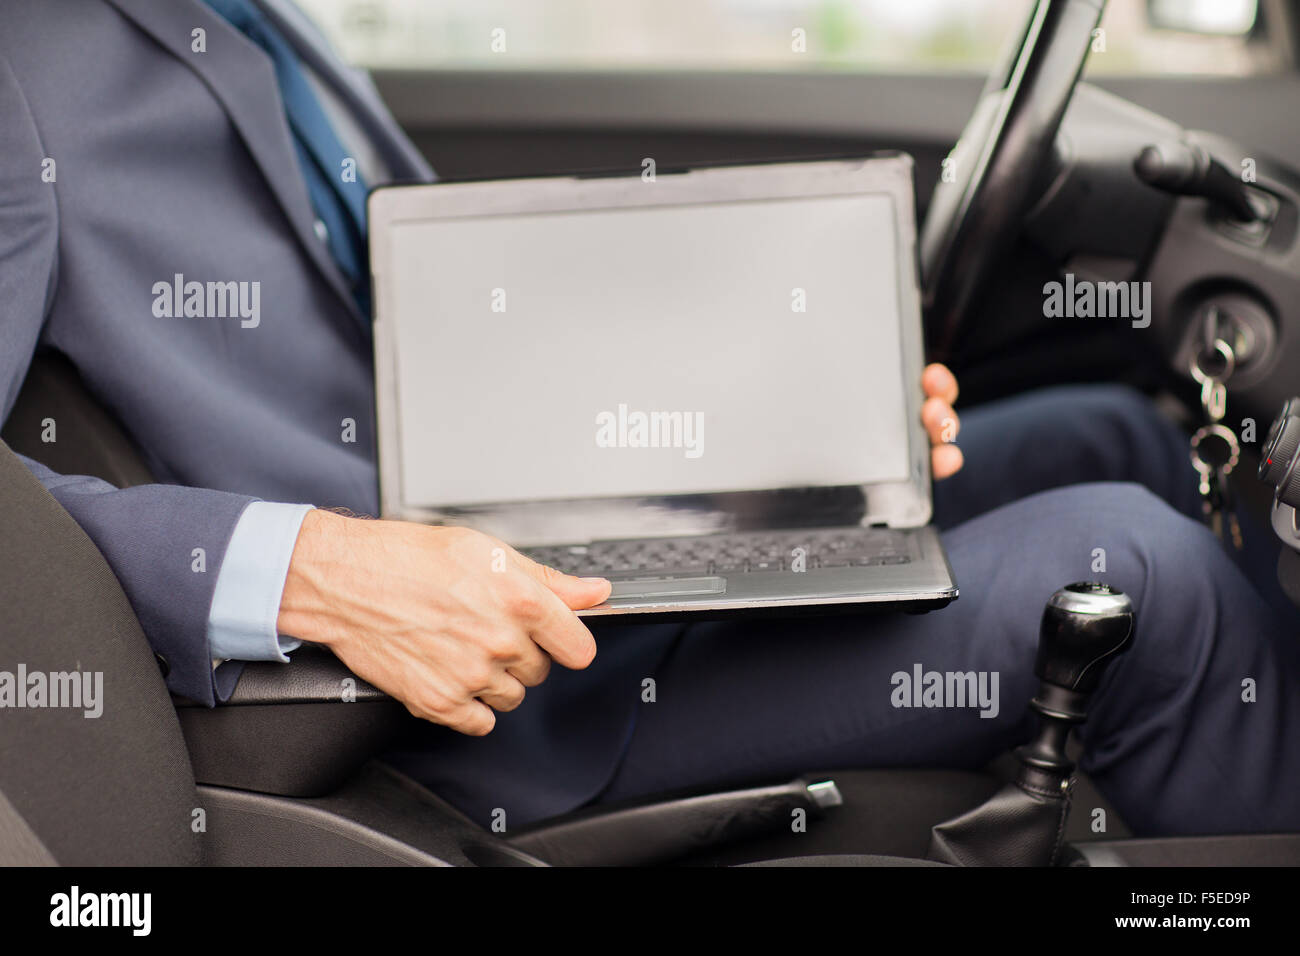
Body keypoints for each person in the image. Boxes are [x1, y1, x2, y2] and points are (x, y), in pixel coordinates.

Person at [1, 0, 1296, 839]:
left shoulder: (256, 13)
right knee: (1137, 571)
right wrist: (313, 572)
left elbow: (435, 336)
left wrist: (779, 403)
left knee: (1111, 433)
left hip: (550, 534)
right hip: (453, 686)